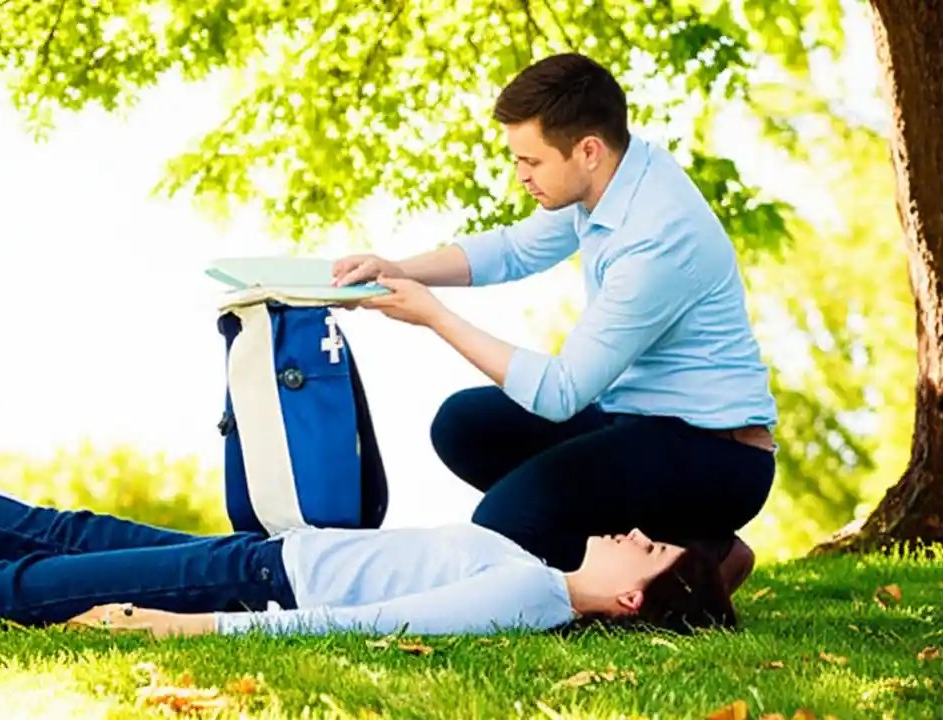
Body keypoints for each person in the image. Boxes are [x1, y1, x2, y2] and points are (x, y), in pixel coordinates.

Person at [0, 340, 734, 637]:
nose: (631, 532)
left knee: (20, 591)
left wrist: (184, 630)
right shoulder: (531, 577)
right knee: (55, 536)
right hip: (256, 566)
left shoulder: (523, 596)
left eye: (644, 548)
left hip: (250, 588)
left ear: (633, 593)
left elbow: (365, 628)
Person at [332, 52, 778, 590]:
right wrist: (400, 270)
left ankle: (677, 569)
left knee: (503, 527)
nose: (520, 175)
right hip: (638, 419)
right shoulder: (616, 175)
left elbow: (561, 391)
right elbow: (515, 249)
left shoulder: (658, 238)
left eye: (532, 161)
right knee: (464, 426)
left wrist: (433, 317)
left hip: (715, 456)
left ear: (587, 150)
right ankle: (688, 550)